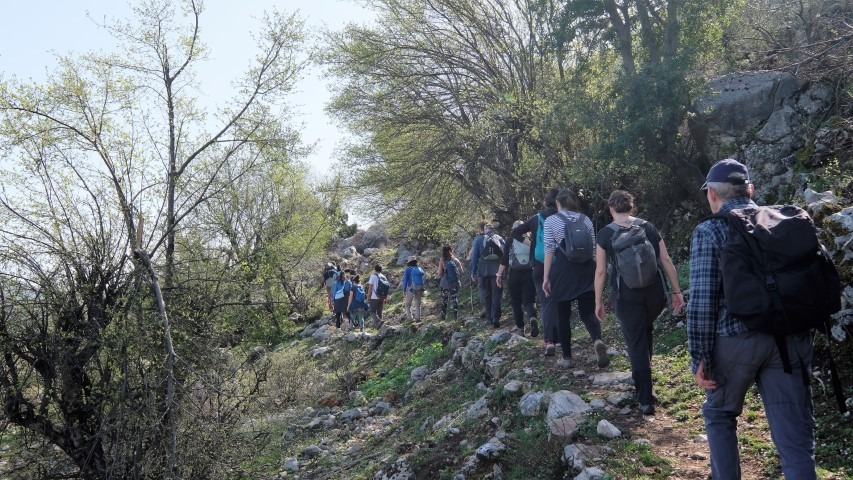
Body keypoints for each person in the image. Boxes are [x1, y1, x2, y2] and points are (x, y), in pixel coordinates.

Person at [687, 159, 816, 479]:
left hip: (736, 341)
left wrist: (699, 356)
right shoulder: (781, 221)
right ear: (751, 190)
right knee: (795, 440)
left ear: (713, 195)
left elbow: (702, 301)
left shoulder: (710, 230)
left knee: (720, 414)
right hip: (789, 339)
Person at [594, 190, 683, 415]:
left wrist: (598, 301)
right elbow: (665, 259)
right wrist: (676, 291)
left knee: (636, 343)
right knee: (645, 333)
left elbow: (601, 271)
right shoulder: (648, 227)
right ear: (631, 207)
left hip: (627, 295)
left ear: (611, 208)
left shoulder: (605, 234)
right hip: (654, 294)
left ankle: (645, 399)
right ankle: (645, 385)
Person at [542, 188, 609, 369]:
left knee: (563, 315)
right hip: (587, 269)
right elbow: (594, 248)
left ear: (558, 204)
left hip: (563, 271)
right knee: (587, 312)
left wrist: (546, 277)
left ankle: (566, 357)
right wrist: (596, 272)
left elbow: (549, 250)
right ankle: (597, 340)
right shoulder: (585, 219)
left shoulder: (551, 221)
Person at [512, 189, 560, 353]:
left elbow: (515, 232)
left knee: (547, 303)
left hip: (539, 265)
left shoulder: (536, 219)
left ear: (545, 202)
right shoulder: (562, 218)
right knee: (560, 301)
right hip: (559, 265)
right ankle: (560, 338)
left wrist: (530, 243)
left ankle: (549, 341)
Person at [497, 220, 538, 336]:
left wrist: (499, 275)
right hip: (529, 273)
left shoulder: (510, 241)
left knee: (516, 302)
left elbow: (504, 260)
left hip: (514, 275)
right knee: (529, 301)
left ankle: (520, 329)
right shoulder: (531, 241)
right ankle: (532, 318)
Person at [470, 222, 504, 327]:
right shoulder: (500, 238)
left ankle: (489, 318)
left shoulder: (479, 239)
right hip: (497, 271)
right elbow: (505, 254)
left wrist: (472, 271)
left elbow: (474, 256)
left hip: (483, 271)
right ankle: (495, 317)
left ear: (484, 230)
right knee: (496, 294)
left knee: (487, 294)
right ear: (493, 229)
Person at [438, 245, 464, 320]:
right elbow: (462, 271)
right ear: (451, 251)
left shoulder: (442, 260)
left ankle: (443, 317)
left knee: (444, 300)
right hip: (455, 282)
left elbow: (439, 273)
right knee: (454, 298)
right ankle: (455, 316)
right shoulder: (455, 260)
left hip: (445, 283)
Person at [401, 256, 426, 321]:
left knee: (408, 304)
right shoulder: (419, 268)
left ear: (409, 262)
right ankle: (417, 318)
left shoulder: (407, 269)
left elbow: (405, 280)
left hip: (410, 288)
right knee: (418, 304)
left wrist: (404, 290)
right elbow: (423, 277)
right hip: (419, 287)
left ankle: (410, 318)